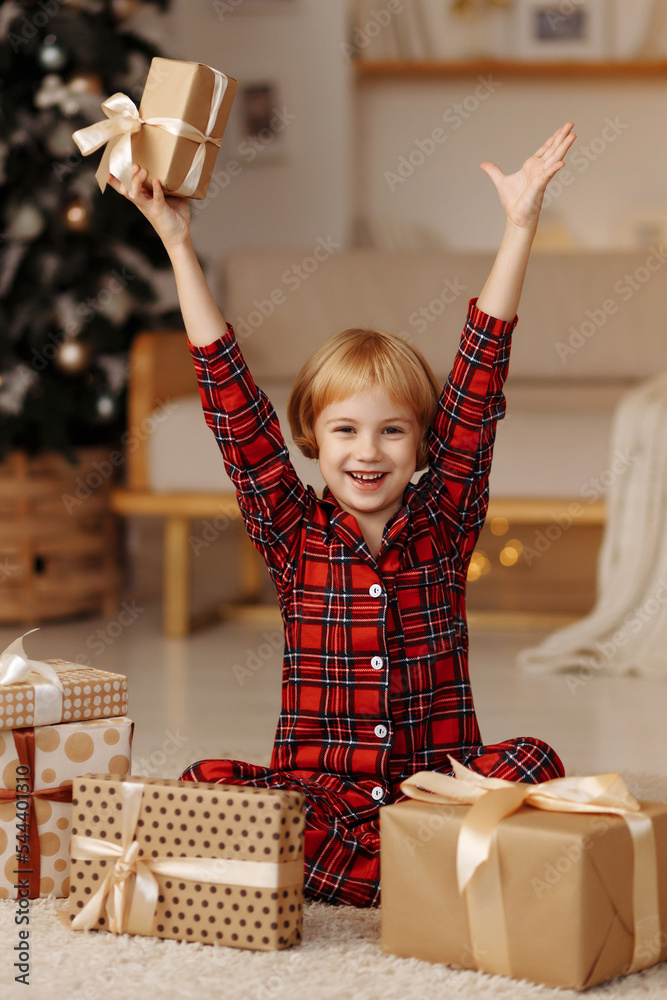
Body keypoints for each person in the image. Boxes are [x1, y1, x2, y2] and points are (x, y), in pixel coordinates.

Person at [109, 121, 576, 907]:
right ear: (311, 440)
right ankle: (418, 877)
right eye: (346, 431)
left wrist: (519, 225)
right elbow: (229, 401)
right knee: (206, 784)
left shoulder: (444, 519)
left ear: (422, 442)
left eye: (392, 430)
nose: (369, 452)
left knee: (535, 762)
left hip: (435, 794)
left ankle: (394, 869)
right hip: (323, 799)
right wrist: (180, 246)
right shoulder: (291, 531)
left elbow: (478, 377)